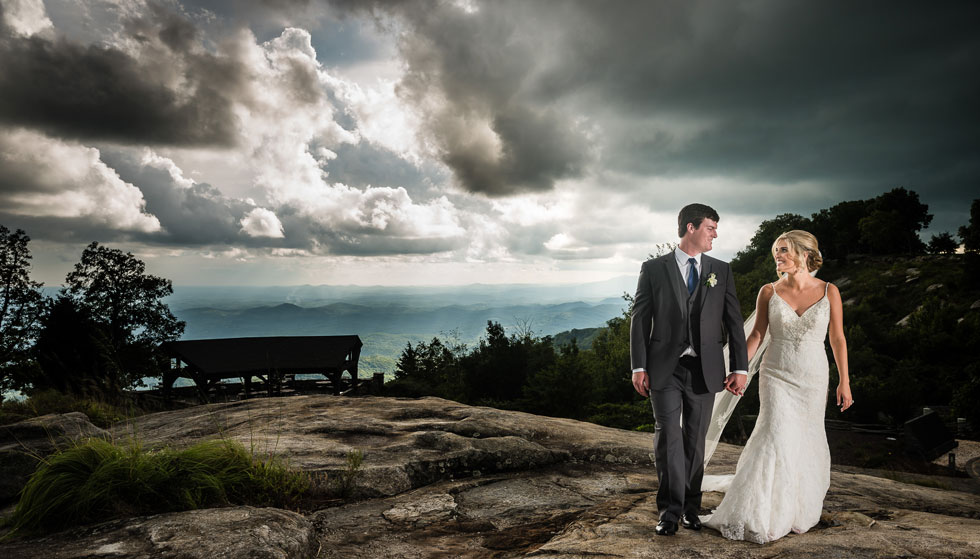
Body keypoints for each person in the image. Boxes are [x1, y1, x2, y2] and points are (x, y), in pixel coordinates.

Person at [702, 229, 852, 544]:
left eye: (783, 250)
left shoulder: (830, 291)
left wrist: (845, 381)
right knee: (773, 436)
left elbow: (837, 338)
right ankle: (762, 514)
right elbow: (756, 334)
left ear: (805, 252)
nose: (778, 257)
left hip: (812, 377)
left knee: (805, 439)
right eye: (776, 252)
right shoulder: (768, 291)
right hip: (776, 375)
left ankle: (796, 510)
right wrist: (739, 368)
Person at [629, 203, 749, 537]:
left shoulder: (720, 270)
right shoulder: (653, 268)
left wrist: (740, 366)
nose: (715, 234)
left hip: (705, 369)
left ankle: (691, 509)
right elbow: (640, 320)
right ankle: (669, 511)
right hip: (663, 368)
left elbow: (733, 322)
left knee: (695, 441)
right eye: (711, 227)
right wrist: (638, 365)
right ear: (691, 228)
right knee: (668, 437)